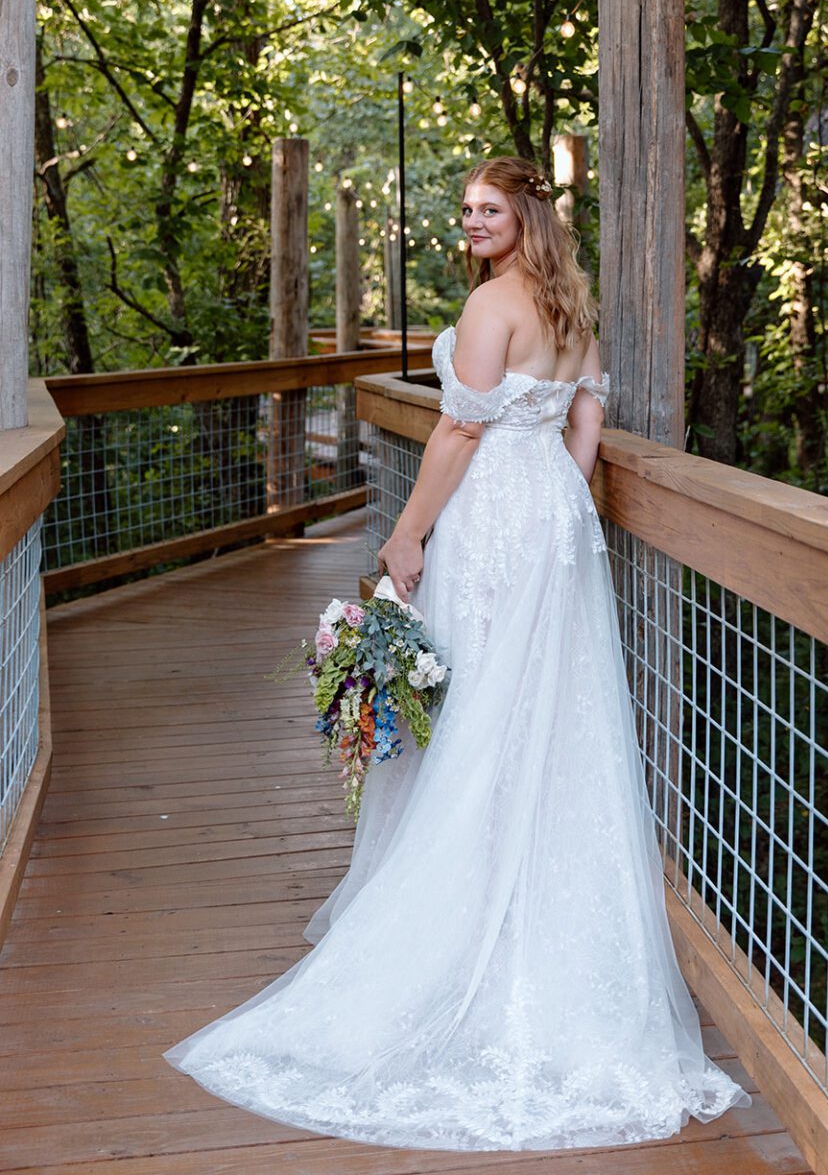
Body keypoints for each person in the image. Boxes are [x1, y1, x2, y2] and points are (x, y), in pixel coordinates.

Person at [163, 154, 749, 1150]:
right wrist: (562, 496)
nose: (472, 222)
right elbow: (589, 415)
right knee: (546, 712)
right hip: (556, 522)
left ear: (524, 213)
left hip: (495, 521)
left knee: (479, 709)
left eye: (488, 209)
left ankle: (455, 922)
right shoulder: (565, 303)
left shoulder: (492, 308)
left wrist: (408, 537)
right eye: (465, 208)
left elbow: (456, 440)